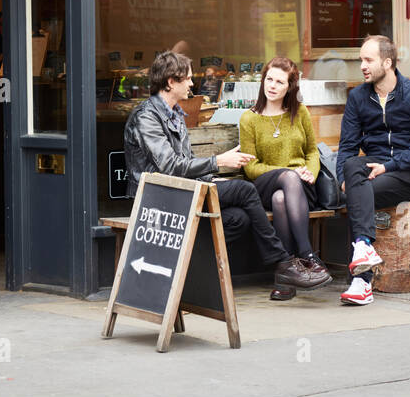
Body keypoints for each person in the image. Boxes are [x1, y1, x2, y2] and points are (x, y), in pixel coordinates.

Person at [122, 50, 328, 293]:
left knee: (238, 219)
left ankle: (196, 269)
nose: (191, 83)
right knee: (245, 190)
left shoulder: (176, 113)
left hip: (183, 188)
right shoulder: (146, 117)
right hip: (159, 196)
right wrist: (218, 161)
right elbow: (170, 167)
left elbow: (183, 163)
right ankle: (282, 263)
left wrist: (211, 176)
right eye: (187, 78)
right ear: (170, 82)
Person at [335, 35, 410, 306]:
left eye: (369, 60)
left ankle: (361, 282)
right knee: (352, 169)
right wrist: (343, 179)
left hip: (407, 173)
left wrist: (388, 166)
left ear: (387, 62)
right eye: (361, 60)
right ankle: (364, 249)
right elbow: (347, 147)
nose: (363, 66)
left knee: (360, 193)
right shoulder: (358, 97)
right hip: (371, 169)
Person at [238, 57, 333, 300]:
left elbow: (312, 151)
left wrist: (309, 171)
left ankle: (285, 277)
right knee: (282, 186)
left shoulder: (299, 112)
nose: (272, 85)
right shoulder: (249, 119)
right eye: (269, 79)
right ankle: (307, 255)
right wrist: (285, 172)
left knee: (283, 198)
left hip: (300, 189)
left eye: (279, 82)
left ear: (290, 87)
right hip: (264, 184)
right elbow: (250, 166)